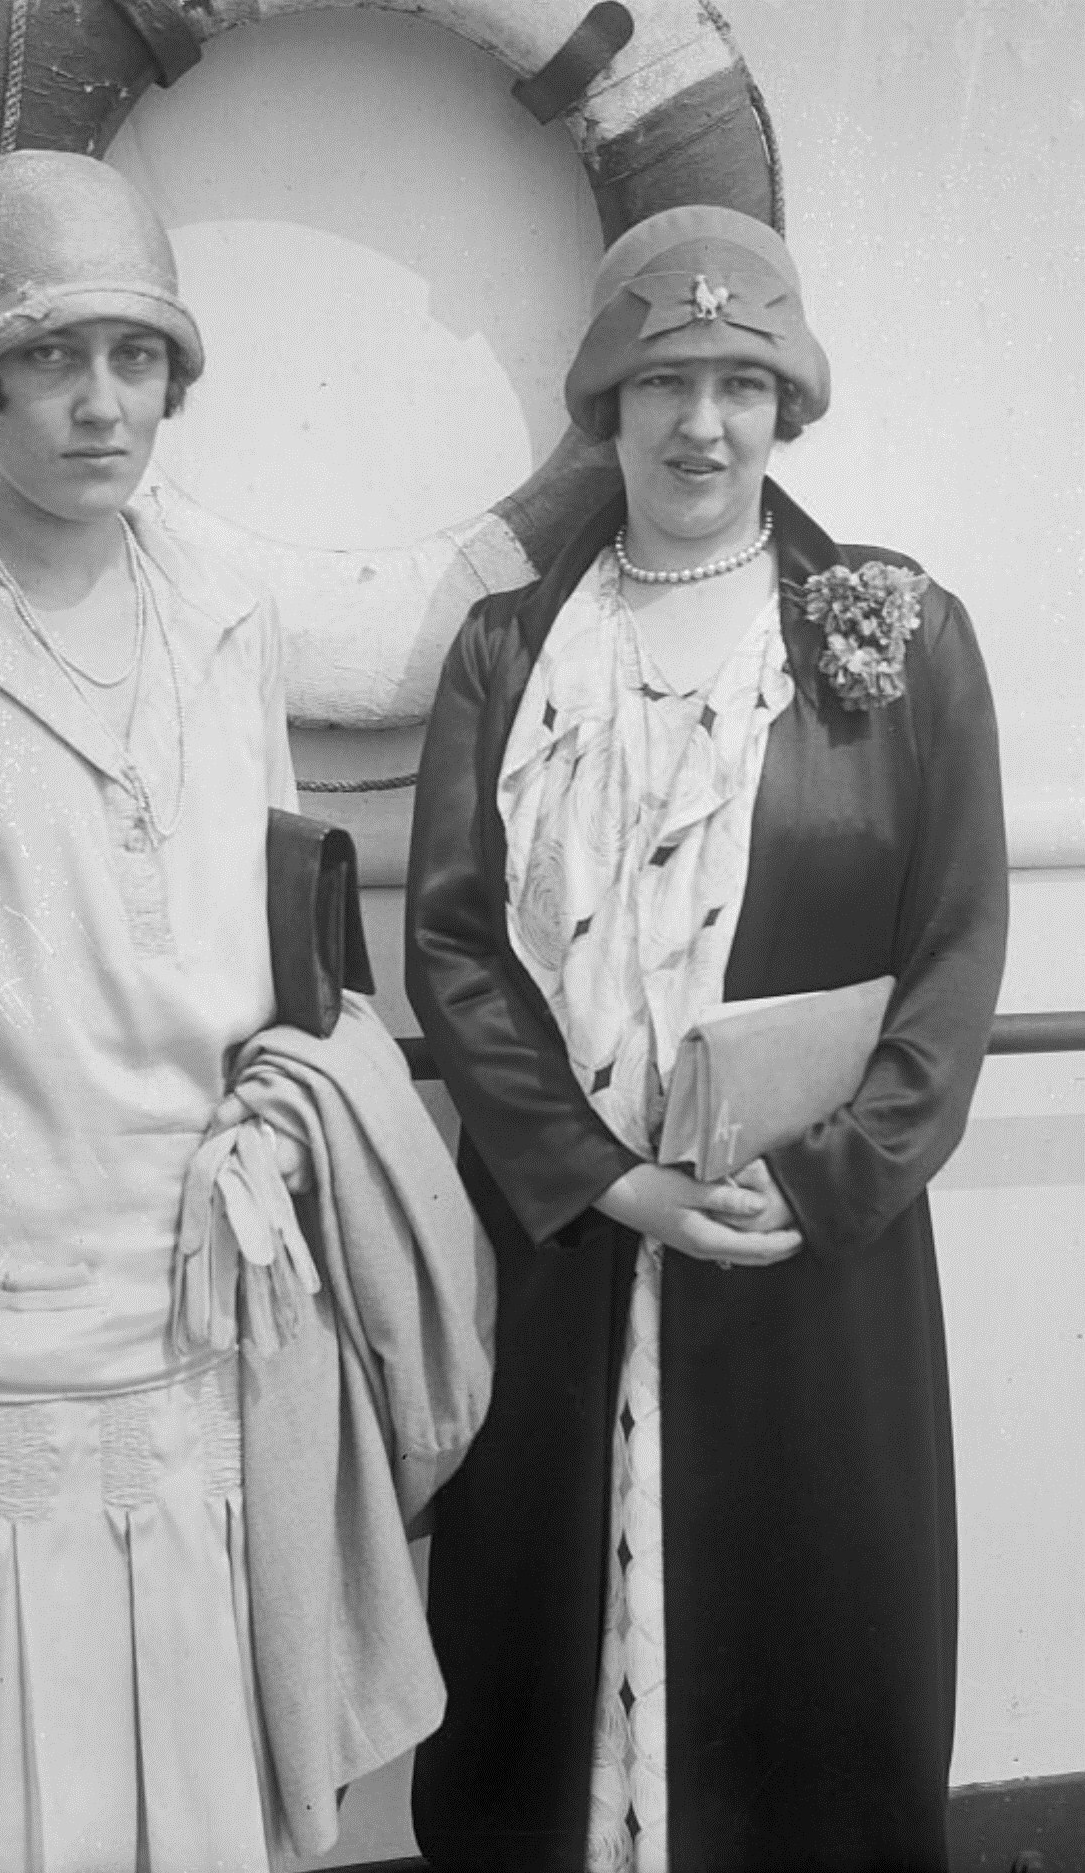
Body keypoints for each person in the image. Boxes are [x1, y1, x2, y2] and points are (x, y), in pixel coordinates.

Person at [405, 204, 1009, 1872]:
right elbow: (453, 943)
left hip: (809, 1267)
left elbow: (956, 953)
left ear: (786, 404)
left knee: (816, 1678)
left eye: (742, 381)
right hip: (565, 1259)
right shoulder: (511, 653)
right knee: (533, 1678)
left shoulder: (901, 637)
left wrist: (821, 1182)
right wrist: (604, 1177)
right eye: (665, 379)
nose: (703, 423)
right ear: (607, 404)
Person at [0, 150, 304, 1872]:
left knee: (191, 1758)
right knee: (26, 1764)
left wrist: (271, 1139)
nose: (101, 403)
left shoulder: (227, 610)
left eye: (135, 358)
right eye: (54, 356)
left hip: (208, 1291)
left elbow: (287, 947)